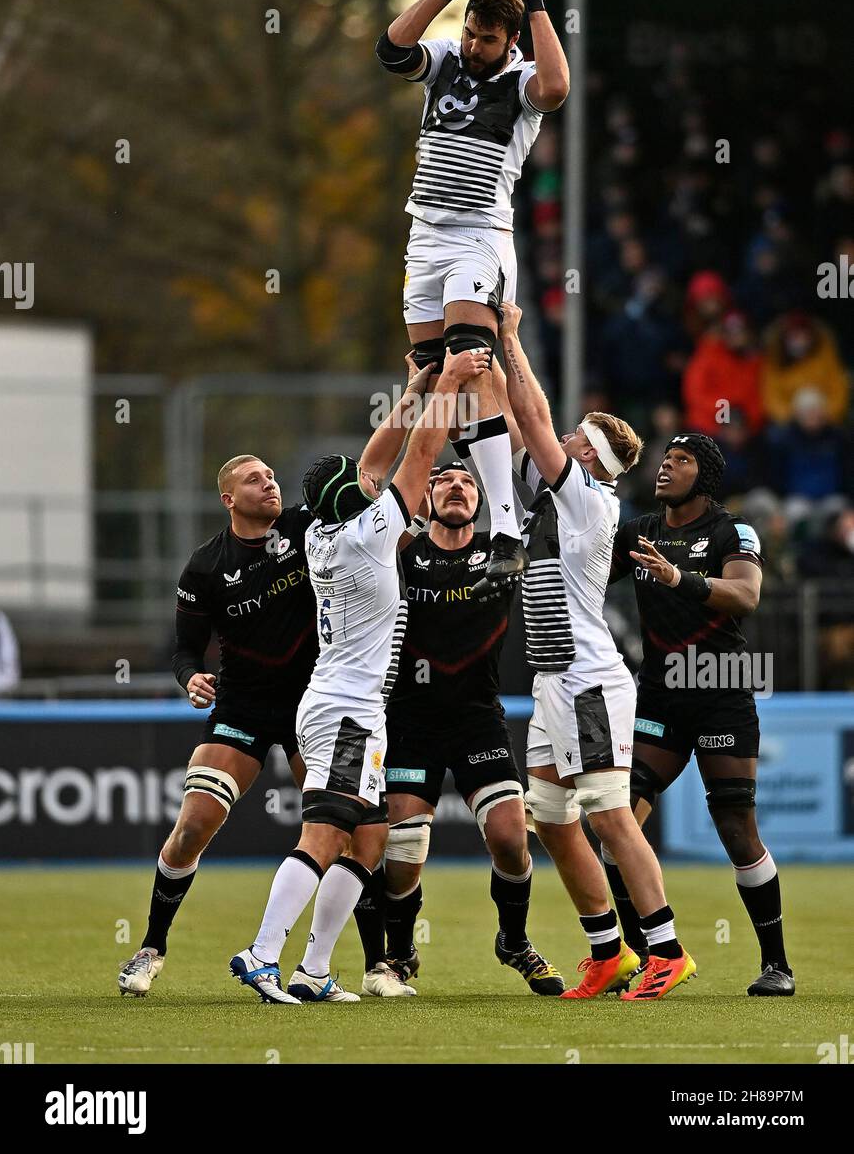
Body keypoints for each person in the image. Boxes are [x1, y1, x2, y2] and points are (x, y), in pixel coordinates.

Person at [229, 348, 488, 1004]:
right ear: (359, 501)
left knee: (368, 838)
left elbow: (376, 462)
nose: (374, 481)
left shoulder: (325, 528)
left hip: (343, 703)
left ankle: (313, 971)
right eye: (365, 485)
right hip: (346, 708)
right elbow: (422, 453)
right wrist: (451, 381)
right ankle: (261, 954)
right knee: (324, 832)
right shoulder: (372, 534)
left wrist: (412, 387)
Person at [500, 304, 696, 1001]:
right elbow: (511, 420)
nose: (560, 437)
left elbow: (526, 415)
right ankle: (607, 951)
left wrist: (511, 339)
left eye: (573, 435)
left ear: (588, 456)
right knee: (551, 819)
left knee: (610, 815)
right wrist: (475, 362)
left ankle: (667, 950)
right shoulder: (569, 495)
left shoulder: (586, 496)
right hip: (554, 679)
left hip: (584, 679)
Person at [375, 0, 569, 596]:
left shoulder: (518, 82)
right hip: (423, 238)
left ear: (508, 42)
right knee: (435, 380)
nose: (472, 47)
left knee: (470, 357)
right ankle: (503, 515)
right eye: (469, 34)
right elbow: (391, 48)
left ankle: (507, 526)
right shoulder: (444, 61)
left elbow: (557, 83)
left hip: (476, 238)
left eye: (485, 40)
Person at [354, 460, 564, 998]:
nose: (457, 487)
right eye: (444, 479)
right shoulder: (401, 553)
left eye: (469, 481)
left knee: (512, 839)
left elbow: (532, 480)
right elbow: (370, 487)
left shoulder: (501, 552)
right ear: (424, 497)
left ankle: (513, 942)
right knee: (401, 853)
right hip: (410, 719)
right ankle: (398, 955)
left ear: (482, 498)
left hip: (476, 718)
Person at [118, 453, 320, 997]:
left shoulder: (305, 526)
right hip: (244, 705)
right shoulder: (206, 566)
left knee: (345, 830)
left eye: (272, 476)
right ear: (229, 499)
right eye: (255, 479)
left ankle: (361, 965)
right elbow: (184, 648)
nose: (269, 483)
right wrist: (191, 679)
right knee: (192, 826)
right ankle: (151, 948)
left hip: (316, 702)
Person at [608, 432, 795, 997]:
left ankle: (776, 965)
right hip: (660, 695)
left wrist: (677, 578)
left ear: (705, 476)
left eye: (681, 460)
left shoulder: (732, 530)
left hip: (720, 689)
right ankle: (647, 956)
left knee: (736, 829)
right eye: (664, 460)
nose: (665, 468)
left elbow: (745, 596)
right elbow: (583, 572)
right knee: (618, 822)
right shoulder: (638, 531)